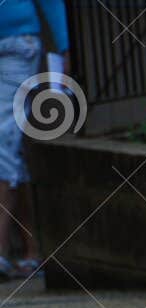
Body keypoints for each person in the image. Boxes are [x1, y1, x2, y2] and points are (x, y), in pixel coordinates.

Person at [0, 0, 69, 279]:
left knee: (3, 142)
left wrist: (64, 45)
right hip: (15, 39)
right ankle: (30, 249)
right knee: (10, 145)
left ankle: (1, 248)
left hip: (17, 43)